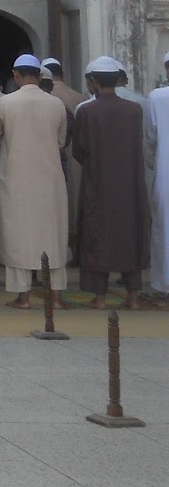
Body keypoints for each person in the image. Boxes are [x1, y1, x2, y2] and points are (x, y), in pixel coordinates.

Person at [0, 53, 69, 308]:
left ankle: (23, 296)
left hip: (15, 179)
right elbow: (60, 141)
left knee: (18, 235)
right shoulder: (55, 104)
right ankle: (55, 295)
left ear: (15, 74)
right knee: (51, 234)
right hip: (49, 180)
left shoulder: (5, 103)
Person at [71, 56, 151, 310]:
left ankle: (101, 297)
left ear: (92, 81)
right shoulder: (134, 109)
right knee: (130, 232)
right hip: (130, 185)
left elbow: (79, 150)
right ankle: (133, 296)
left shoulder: (86, 110)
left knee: (98, 233)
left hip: (98, 183)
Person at [150, 51, 169, 294]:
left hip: (165, 175)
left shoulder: (157, 98)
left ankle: (164, 283)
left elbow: (150, 138)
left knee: (164, 229)